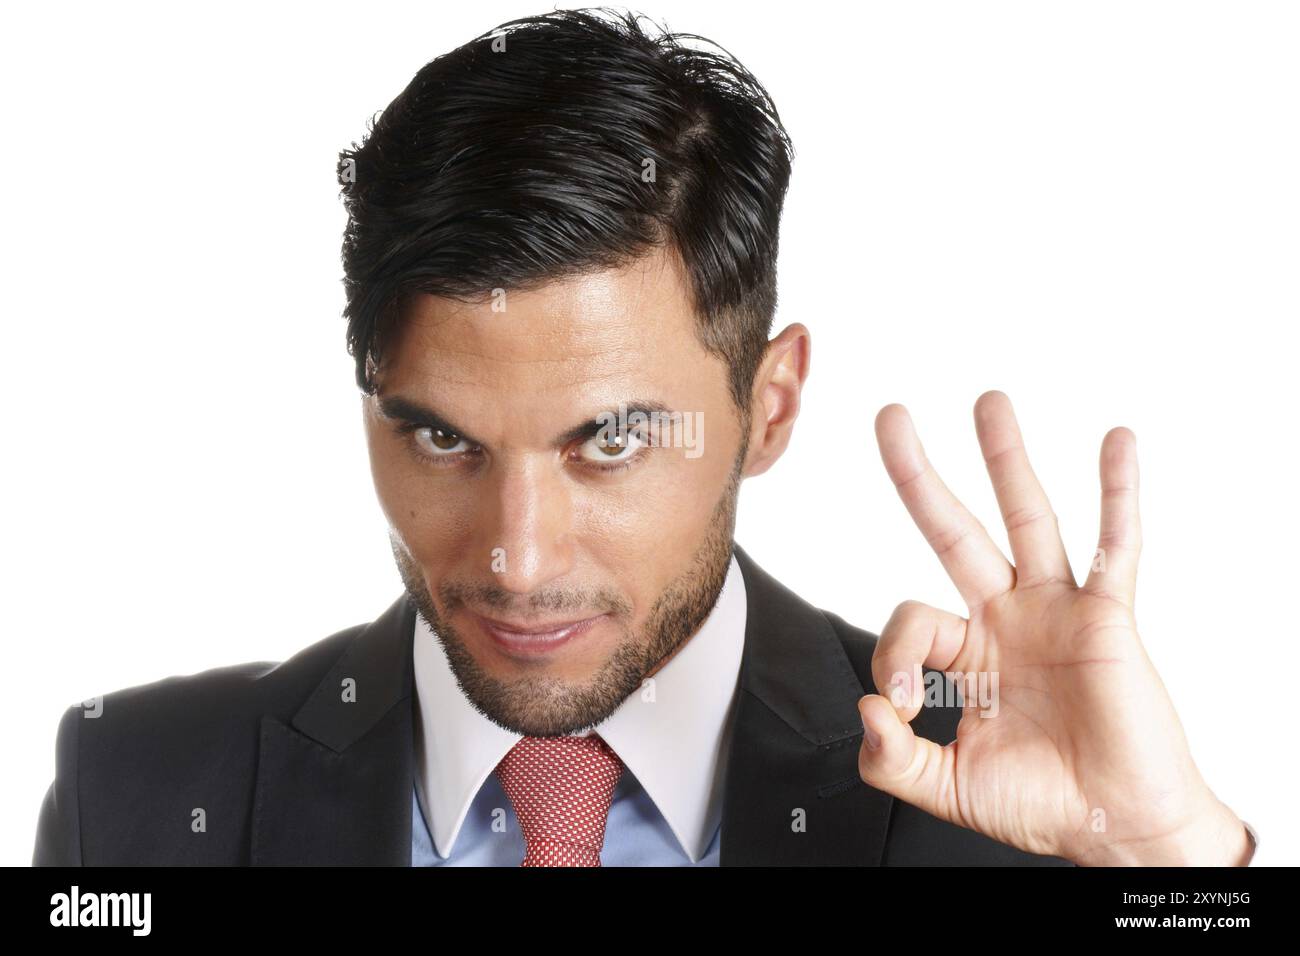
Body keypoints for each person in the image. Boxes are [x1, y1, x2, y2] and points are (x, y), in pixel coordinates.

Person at [33, 7, 1256, 867]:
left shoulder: (1005, 799)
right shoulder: (139, 794)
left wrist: (1174, 863)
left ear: (768, 406)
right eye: (444, 439)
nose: (517, 558)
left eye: (607, 441)